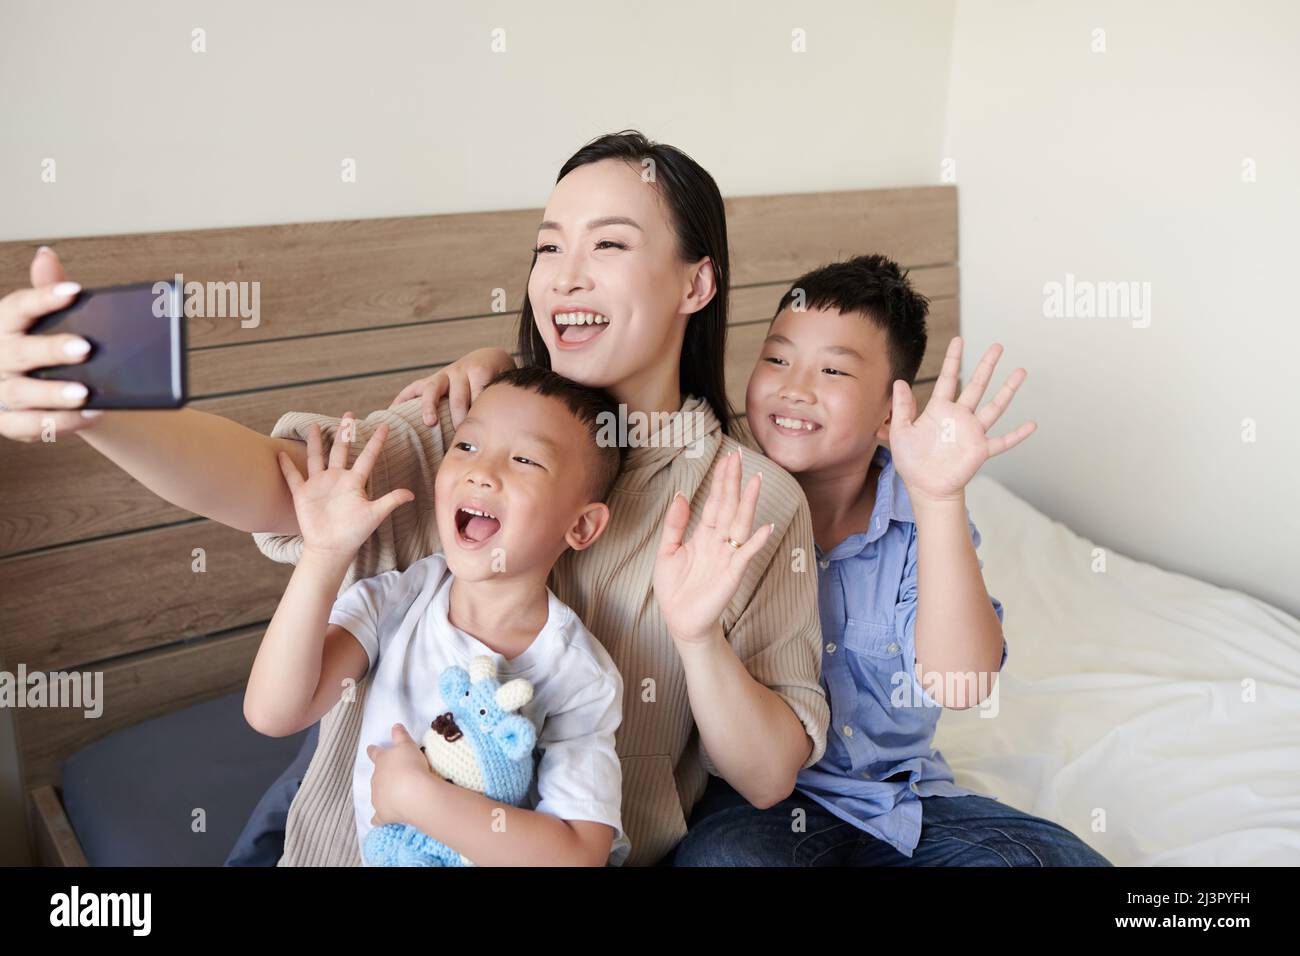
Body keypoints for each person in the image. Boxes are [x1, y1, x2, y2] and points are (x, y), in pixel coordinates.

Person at [0, 130, 830, 866]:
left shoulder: (754, 503)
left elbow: (765, 779)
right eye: (547, 248)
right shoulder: (463, 428)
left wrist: (698, 640)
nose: (564, 277)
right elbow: (278, 482)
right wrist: (104, 409)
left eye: (608, 245)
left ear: (696, 284)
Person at [669, 254, 1110, 866]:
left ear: (888, 414)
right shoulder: (714, 501)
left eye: (833, 370)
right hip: (758, 810)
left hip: (902, 801)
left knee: (1055, 862)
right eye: (776, 358)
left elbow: (961, 681)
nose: (794, 386)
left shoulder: (916, 517)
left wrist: (938, 498)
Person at [244, 368, 634, 865]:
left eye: (524, 459)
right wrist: (323, 555)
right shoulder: (402, 599)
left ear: (581, 525)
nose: (481, 471)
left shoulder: (577, 673)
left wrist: (422, 800)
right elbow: (274, 713)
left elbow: (579, 854)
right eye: (467, 447)